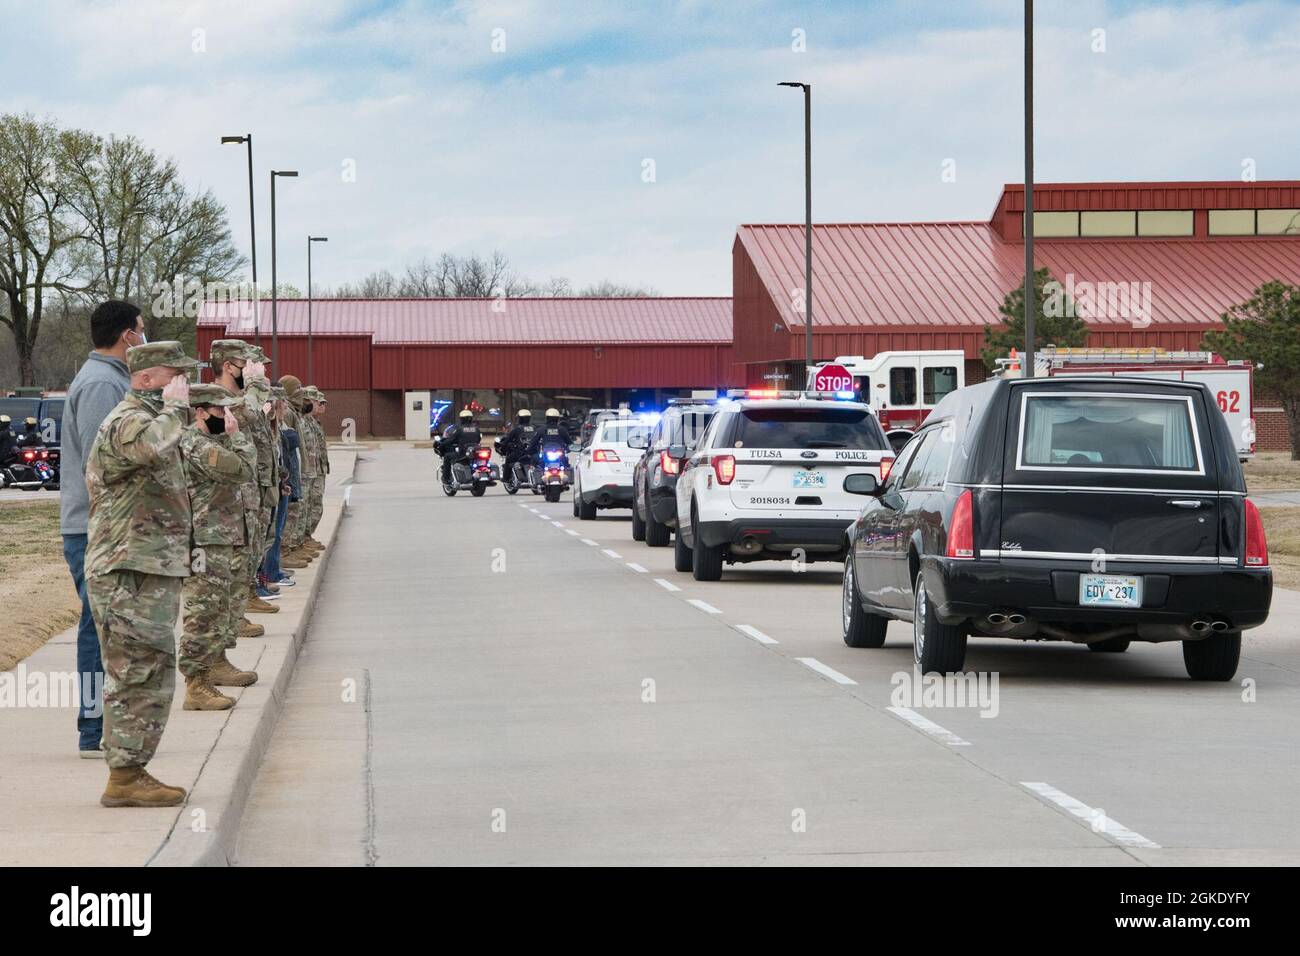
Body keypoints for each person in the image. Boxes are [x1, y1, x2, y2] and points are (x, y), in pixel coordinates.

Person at [84, 340, 197, 807]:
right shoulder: (129, 420)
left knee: (148, 671)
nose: (183, 386)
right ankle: (125, 777)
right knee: (137, 672)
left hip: (145, 568)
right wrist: (176, 412)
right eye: (175, 375)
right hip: (127, 570)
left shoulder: (152, 419)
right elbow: (150, 449)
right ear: (146, 378)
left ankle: (131, 771)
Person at [59, 299, 142, 758]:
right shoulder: (98, 386)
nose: (143, 339)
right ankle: (93, 728)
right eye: (141, 330)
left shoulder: (114, 381)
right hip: (93, 528)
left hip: (105, 525)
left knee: (110, 625)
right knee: (98, 627)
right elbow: (103, 464)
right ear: (126, 334)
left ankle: (105, 723)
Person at [178, 384, 258, 709]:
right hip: (203, 541)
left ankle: (215, 665)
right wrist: (237, 436)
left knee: (218, 611)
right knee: (202, 613)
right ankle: (195, 685)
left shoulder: (210, 441)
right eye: (219, 411)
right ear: (199, 412)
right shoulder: (196, 444)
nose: (226, 417)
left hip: (218, 538)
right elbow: (243, 469)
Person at [438, 409, 481, 484]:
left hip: (463, 454)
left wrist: (442, 444)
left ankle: (446, 478)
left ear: (462, 419)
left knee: (447, 456)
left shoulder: (460, 429)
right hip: (474, 453)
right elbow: (478, 440)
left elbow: (451, 440)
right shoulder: (476, 429)